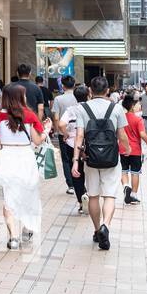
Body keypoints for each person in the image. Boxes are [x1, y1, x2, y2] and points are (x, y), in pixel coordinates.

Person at [0, 84, 47, 249]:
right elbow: (38, 141)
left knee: (8, 198)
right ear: (20, 97)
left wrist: (3, 140)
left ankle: (13, 237)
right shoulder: (30, 115)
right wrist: (45, 131)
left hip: (6, 158)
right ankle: (27, 227)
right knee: (28, 193)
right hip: (25, 158)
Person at [72, 76, 129, 251]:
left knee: (94, 196)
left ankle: (97, 231)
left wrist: (75, 161)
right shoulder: (117, 108)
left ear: (90, 90)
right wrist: (126, 149)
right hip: (111, 158)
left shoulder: (82, 108)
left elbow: (79, 136)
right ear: (107, 91)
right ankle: (106, 226)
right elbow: (122, 135)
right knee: (109, 196)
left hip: (91, 158)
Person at [118, 92, 147, 205]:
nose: (140, 106)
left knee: (123, 170)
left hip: (123, 149)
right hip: (135, 150)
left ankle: (125, 186)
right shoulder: (138, 120)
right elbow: (143, 135)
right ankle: (133, 195)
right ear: (132, 106)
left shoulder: (121, 118)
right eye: (138, 104)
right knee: (135, 172)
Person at [61, 85, 91, 213]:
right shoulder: (91, 109)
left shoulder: (71, 109)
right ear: (88, 95)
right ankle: (90, 196)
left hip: (72, 143)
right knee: (91, 172)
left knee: (77, 174)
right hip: (89, 144)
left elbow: (61, 123)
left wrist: (66, 134)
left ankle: (80, 200)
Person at [50, 75, 79, 195]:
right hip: (78, 132)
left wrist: (58, 131)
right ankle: (79, 182)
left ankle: (71, 185)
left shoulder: (58, 99)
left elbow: (56, 118)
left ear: (62, 86)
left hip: (64, 133)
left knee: (66, 160)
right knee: (77, 157)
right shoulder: (79, 97)